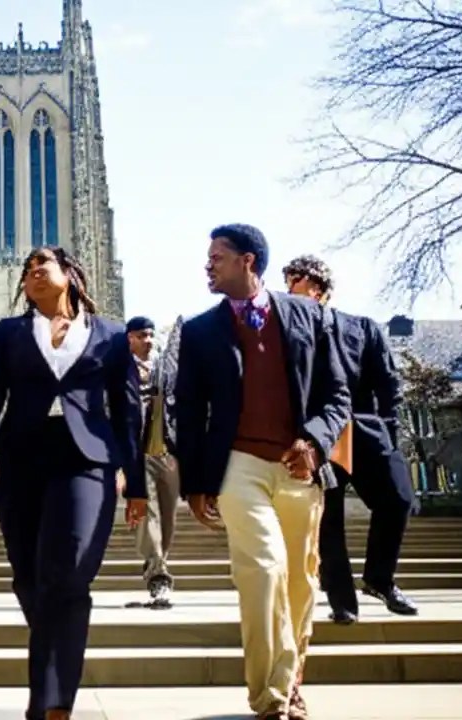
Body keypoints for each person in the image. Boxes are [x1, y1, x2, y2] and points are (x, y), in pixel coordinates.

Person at [175, 224, 349, 720]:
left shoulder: (309, 316)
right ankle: (270, 696)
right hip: (238, 464)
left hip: (299, 465)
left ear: (248, 261)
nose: (208, 265)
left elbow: (337, 396)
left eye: (218, 257)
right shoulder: (200, 330)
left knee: (299, 581)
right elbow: (189, 412)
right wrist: (195, 483)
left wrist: (313, 441)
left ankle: (292, 680)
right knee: (263, 571)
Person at [0, 246, 147, 720]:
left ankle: (52, 705)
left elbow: (129, 413)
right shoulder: (7, 333)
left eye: (41, 266)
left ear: (69, 275)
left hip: (86, 460)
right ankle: (53, 669)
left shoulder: (109, 335)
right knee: (30, 578)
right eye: (27, 271)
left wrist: (139, 484)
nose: (32, 274)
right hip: (21, 457)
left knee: (67, 575)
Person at [282, 254, 418, 624]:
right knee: (327, 519)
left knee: (399, 498)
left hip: (365, 433)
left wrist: (389, 432)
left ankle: (380, 579)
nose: (289, 288)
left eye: (297, 280)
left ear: (320, 287)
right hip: (315, 438)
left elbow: (389, 384)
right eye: (287, 281)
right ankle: (342, 602)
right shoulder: (286, 334)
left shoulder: (361, 328)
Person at [126, 315, 180, 609]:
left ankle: (156, 562)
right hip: (137, 454)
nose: (147, 340)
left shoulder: (167, 368)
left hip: (169, 451)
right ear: (129, 339)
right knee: (149, 512)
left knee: (168, 518)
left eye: (150, 335)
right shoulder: (120, 371)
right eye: (140, 336)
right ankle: (158, 573)